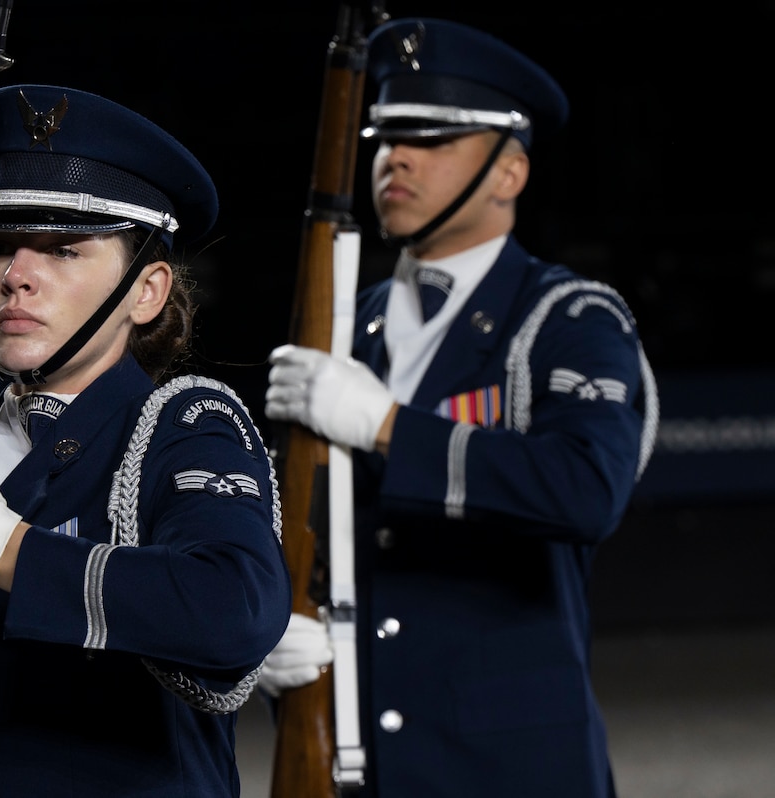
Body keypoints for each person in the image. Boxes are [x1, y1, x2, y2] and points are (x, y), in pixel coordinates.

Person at [0, 83, 292, 797]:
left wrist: (0, 549)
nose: (16, 276)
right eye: (1, 246)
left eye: (64, 250)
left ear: (147, 291)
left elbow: (236, 612)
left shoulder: (183, 429)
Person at [259, 17, 659, 798]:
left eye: (434, 141)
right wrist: (264, 614)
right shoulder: (345, 323)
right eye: (386, 138)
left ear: (509, 174)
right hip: (354, 746)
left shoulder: (569, 321)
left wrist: (384, 427)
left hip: (507, 766)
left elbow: (585, 489)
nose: (396, 158)